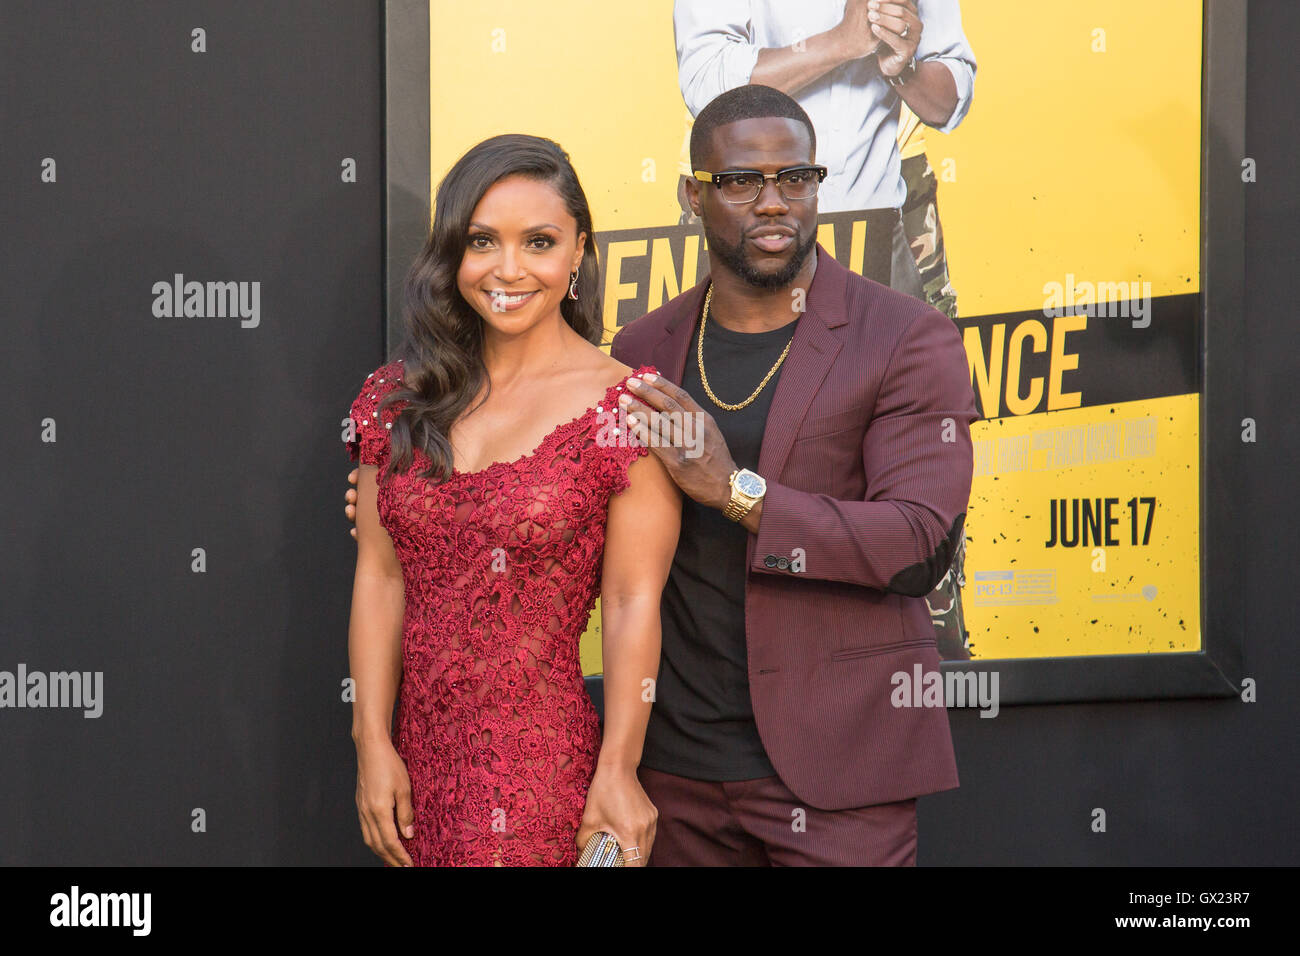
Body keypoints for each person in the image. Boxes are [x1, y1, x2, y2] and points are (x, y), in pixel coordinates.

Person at [611, 83, 975, 865]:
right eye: (740, 181)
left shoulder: (906, 338)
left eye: (796, 178)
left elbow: (918, 544)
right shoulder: (642, 347)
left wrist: (734, 490)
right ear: (692, 194)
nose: (773, 202)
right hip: (674, 772)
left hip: (838, 771)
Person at [345, 134, 681, 866]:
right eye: (481, 241)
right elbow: (380, 573)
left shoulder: (625, 407)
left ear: (577, 254)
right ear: (450, 254)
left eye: (538, 241)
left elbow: (631, 603)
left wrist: (618, 769)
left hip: (539, 769)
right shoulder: (396, 399)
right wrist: (371, 742)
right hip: (418, 764)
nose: (509, 269)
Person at [673, 0, 976, 300]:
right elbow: (704, 80)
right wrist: (841, 42)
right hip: (747, 232)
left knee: (901, 343)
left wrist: (903, 68)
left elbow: (949, 104)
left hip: (875, 232)